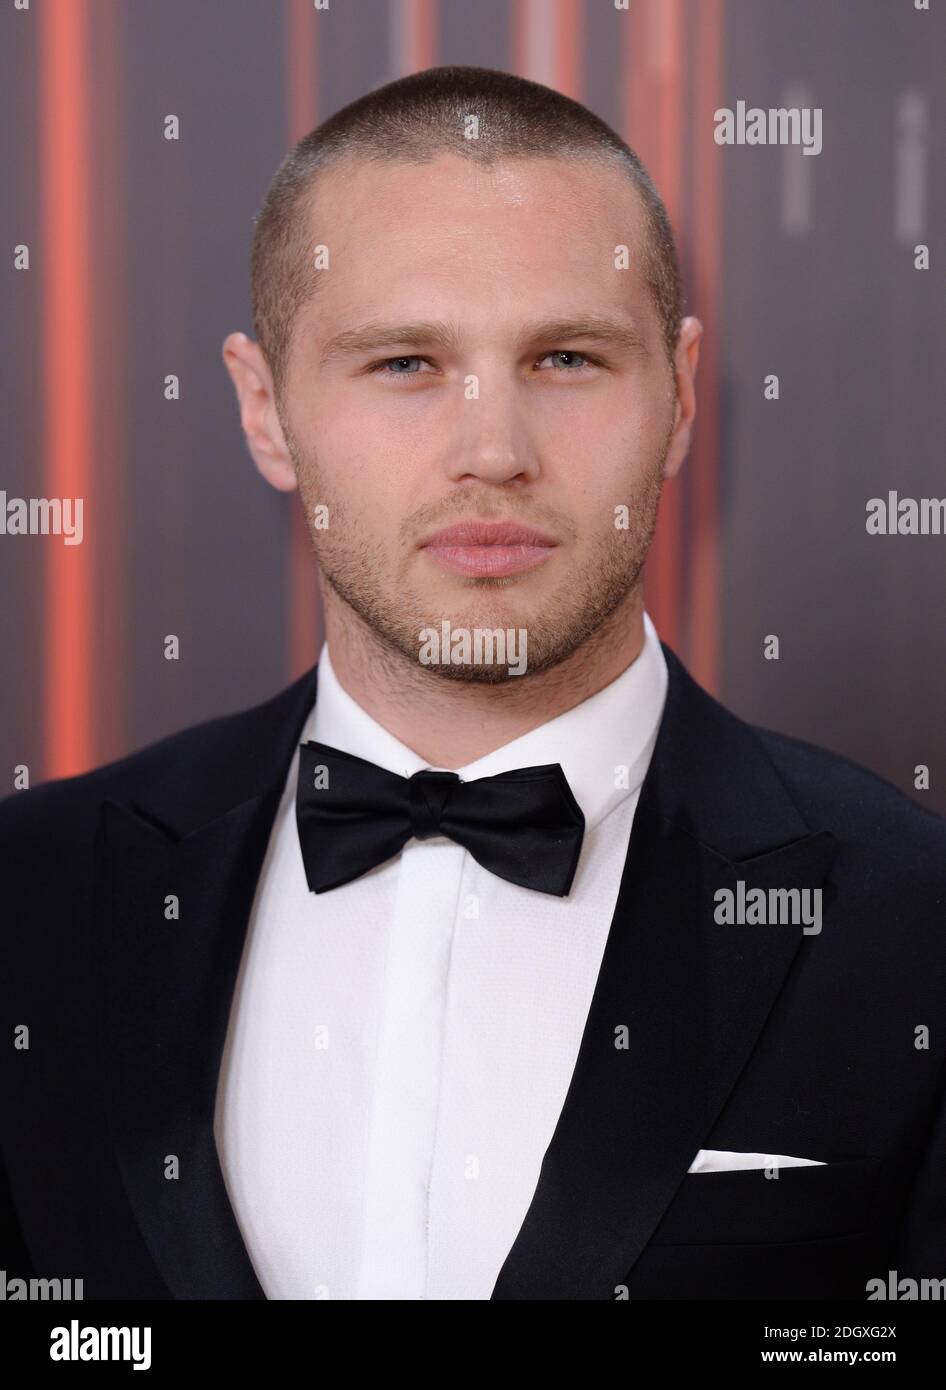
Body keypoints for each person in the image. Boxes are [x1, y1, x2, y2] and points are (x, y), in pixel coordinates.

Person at [1, 66, 944, 1302]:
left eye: (565, 357)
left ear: (679, 396)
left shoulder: (914, 921)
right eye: (402, 363)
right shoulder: (30, 895)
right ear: (266, 409)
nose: (491, 451)